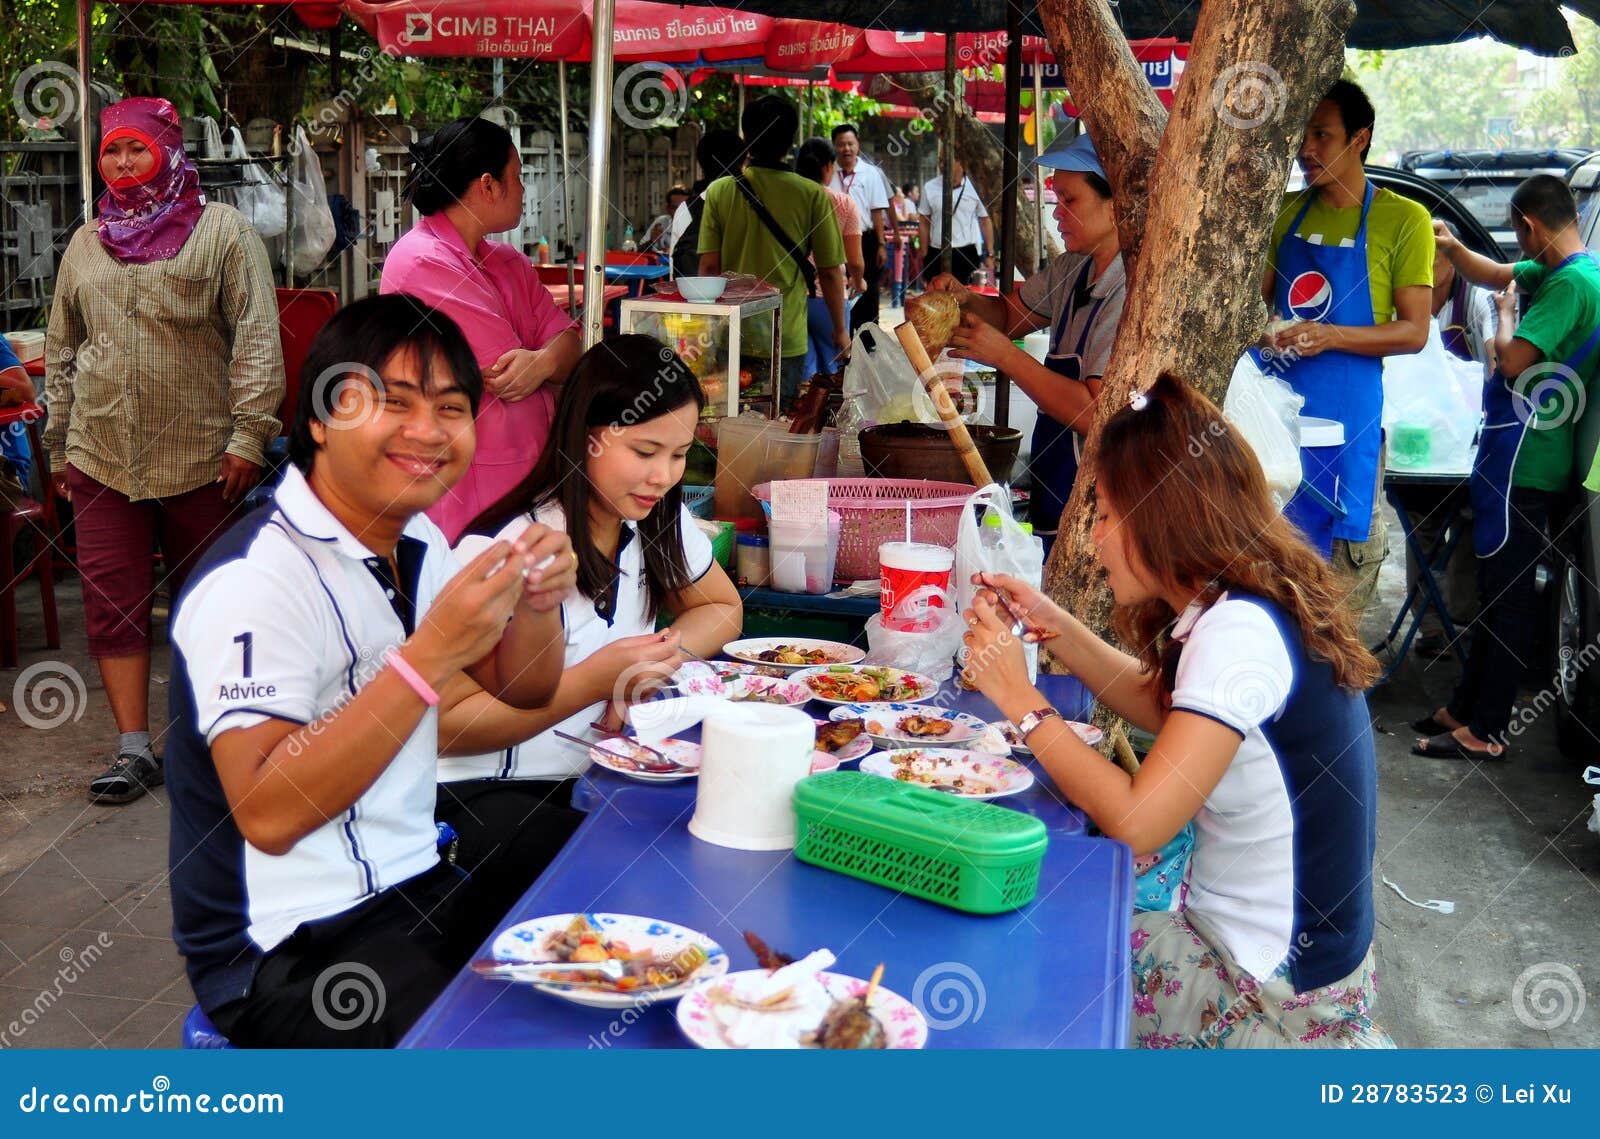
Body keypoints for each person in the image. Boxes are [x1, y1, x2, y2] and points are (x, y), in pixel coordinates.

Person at [166, 294, 578, 1048]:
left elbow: (525, 684)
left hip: (411, 883)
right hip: (286, 945)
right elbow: (269, 811)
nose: (428, 431)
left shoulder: (416, 536)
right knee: (498, 1044)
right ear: (320, 417)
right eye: (393, 402)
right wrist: (424, 661)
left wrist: (542, 604)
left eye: (452, 407)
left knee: (585, 877)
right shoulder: (257, 578)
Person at [961, 373, 1390, 1049]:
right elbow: (1166, 709)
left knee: (1034, 938)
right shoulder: (1246, 601)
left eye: (1104, 513)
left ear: (1158, 514)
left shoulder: (1239, 634)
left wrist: (1019, 698)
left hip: (1269, 999)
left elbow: (1137, 822)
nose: (1093, 538)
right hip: (1307, 971)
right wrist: (1057, 625)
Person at [436, 336, 743, 894]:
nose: (663, 477)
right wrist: (594, 680)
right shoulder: (512, 549)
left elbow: (722, 608)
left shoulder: (651, 519)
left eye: (679, 455)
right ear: (586, 439)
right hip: (487, 793)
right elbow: (446, 728)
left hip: (596, 777)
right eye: (645, 452)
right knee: (651, 875)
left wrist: (650, 664)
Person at [44, 96, 284, 806]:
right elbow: (62, 347)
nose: (121, 162)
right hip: (100, 454)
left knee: (209, 602)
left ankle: (209, 739)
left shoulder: (224, 234)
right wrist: (59, 444)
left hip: (204, 456)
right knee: (111, 603)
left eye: (136, 149)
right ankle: (131, 750)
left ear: (169, 152)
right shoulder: (86, 242)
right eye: (111, 150)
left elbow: (257, 339)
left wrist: (250, 433)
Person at [1413, 177, 1600, 760]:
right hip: (1518, 450)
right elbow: (1495, 273)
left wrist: (1504, 317)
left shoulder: (1568, 286)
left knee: (1510, 596)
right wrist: (1448, 246)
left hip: (1525, 454)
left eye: (1519, 240)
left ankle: (1487, 729)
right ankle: (1467, 705)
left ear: (1529, 228)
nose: (1518, 255)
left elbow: (1513, 359)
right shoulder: (1580, 267)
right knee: (1498, 590)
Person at [1263, 79, 1434, 615]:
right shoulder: (1285, 212)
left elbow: (1414, 331)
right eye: (1303, 134)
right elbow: (1254, 307)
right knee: (1271, 564)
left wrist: (1331, 335)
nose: (1306, 149)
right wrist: (1268, 327)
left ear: (1360, 138)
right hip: (1274, 419)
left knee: (1338, 577)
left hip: (1348, 420)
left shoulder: (1404, 220)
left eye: (1323, 135)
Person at [381, 116, 582, 543]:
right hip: (464, 489)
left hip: (530, 479)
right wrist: (547, 360)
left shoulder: (509, 261)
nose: (524, 189)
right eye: (518, 176)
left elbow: (571, 348)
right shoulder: (422, 261)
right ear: (488, 185)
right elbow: (506, 373)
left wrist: (545, 360)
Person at [929, 132, 1127, 547]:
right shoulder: (1071, 269)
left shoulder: (1128, 289)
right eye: (1056, 201)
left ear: (1117, 204)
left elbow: (1094, 412)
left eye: (1069, 201)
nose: (1057, 215)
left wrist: (1005, 357)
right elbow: (1007, 316)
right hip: (1055, 487)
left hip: (1105, 502)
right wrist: (963, 299)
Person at [699, 95, 847, 411]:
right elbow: (831, 272)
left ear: (746, 139)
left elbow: (709, 269)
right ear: (791, 140)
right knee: (776, 428)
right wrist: (840, 330)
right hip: (785, 337)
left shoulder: (720, 191)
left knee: (730, 426)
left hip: (732, 333)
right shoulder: (810, 194)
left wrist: (706, 332)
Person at [1398, 221, 1496, 657]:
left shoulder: (1474, 300)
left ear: (1453, 259)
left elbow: (1496, 361)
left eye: (1434, 257)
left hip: (1470, 437)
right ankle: (1431, 625)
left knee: (1470, 525)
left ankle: (1463, 615)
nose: (1426, 267)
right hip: (1419, 438)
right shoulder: (1406, 299)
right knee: (1420, 526)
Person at [796, 137, 865, 381]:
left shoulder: (789, 202)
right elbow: (854, 260)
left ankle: (800, 417)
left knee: (804, 374)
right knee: (834, 375)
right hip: (831, 300)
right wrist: (859, 279)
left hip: (794, 298)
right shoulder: (843, 203)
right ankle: (829, 419)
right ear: (828, 167)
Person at [829, 124, 891, 330]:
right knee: (840, 285)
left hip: (866, 238)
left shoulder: (871, 173)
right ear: (834, 146)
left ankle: (868, 337)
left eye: (850, 143)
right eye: (841, 144)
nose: (846, 148)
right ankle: (843, 331)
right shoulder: (829, 172)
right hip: (834, 239)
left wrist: (881, 244)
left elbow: (877, 212)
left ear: (858, 145)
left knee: (869, 288)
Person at [670, 129, 744, 280]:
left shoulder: (687, 210)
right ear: (742, 161)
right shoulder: (760, 206)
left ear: (701, 163)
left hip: (699, 300)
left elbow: (675, 272)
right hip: (755, 298)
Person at [919, 154, 995, 285]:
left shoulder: (976, 188)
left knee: (965, 299)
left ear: (961, 163)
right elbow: (924, 222)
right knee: (938, 298)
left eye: (946, 161)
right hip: (937, 252)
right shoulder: (929, 187)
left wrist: (989, 253)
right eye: (940, 161)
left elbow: (985, 220)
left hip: (966, 253)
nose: (942, 165)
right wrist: (925, 253)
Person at [643, 186, 688, 254]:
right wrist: (651, 241)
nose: (680, 212)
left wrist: (674, 251)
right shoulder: (661, 222)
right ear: (668, 208)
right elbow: (640, 252)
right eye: (675, 208)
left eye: (684, 208)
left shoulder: (700, 225)